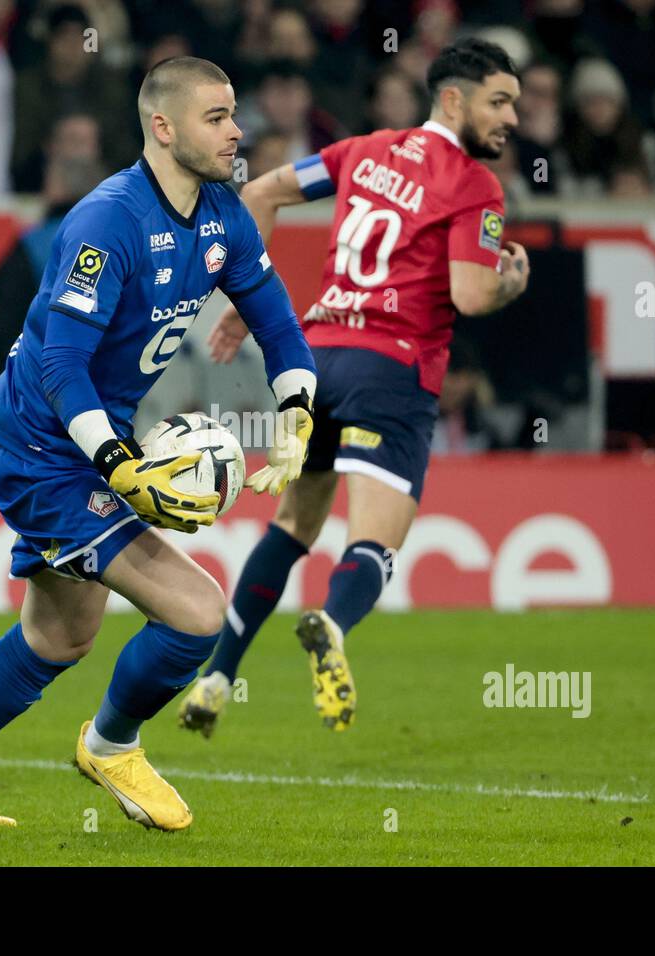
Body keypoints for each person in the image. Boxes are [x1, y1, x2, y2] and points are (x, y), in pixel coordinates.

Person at [0, 56, 317, 832]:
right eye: (217, 117)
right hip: (43, 446)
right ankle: (113, 744)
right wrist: (121, 464)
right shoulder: (107, 220)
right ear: (163, 126)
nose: (237, 131)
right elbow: (60, 367)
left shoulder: (225, 215)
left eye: (234, 113)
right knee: (199, 614)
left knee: (59, 636)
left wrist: (297, 409)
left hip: (88, 443)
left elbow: (276, 323)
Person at [177, 38, 530, 737]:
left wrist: (251, 302)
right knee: (374, 542)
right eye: (499, 101)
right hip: (390, 370)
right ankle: (332, 624)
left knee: (293, 526)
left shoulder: (362, 151)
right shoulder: (476, 185)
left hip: (317, 358)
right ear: (453, 100)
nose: (513, 118)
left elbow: (260, 191)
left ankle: (218, 676)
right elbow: (469, 290)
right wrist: (511, 282)